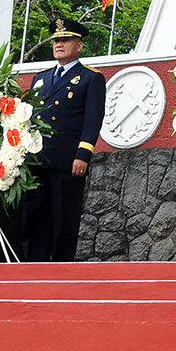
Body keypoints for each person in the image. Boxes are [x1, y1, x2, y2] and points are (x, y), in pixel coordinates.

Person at [23, 18, 105, 262]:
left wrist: (83, 155)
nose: (58, 44)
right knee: (34, 215)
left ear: (79, 46)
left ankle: (60, 266)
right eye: (56, 40)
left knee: (63, 217)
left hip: (66, 159)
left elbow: (92, 119)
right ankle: (32, 265)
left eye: (65, 40)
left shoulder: (90, 78)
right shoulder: (41, 77)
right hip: (36, 157)